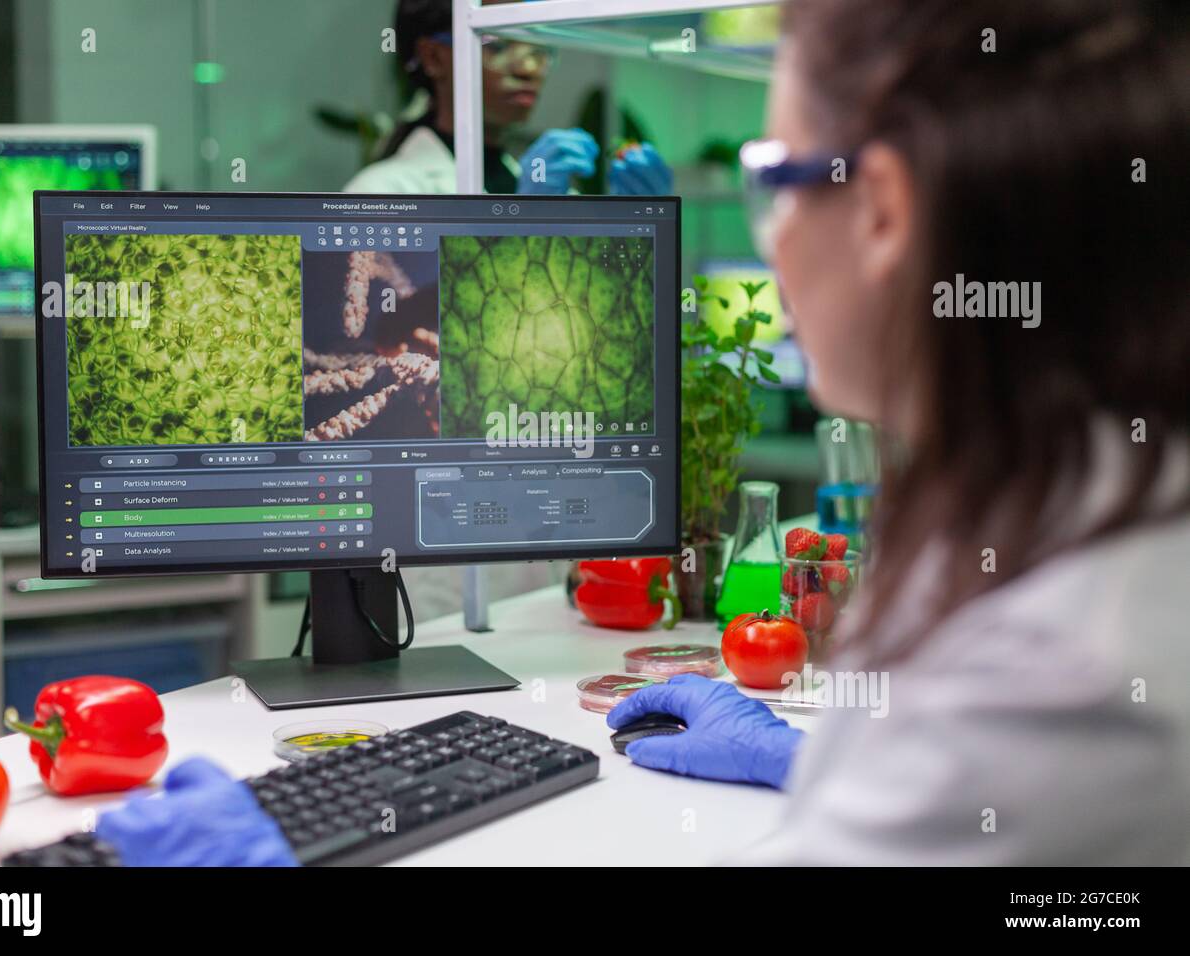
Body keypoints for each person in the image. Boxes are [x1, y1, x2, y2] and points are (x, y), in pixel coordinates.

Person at [97, 0, 1188, 866]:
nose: (767, 241)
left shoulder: (1058, 662)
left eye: (771, 180)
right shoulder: (1097, 514)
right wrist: (814, 763)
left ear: (886, 212)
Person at [342, 0, 672, 196]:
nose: (530, 68)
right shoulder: (382, 191)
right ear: (433, 58)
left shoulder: (549, 189)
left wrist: (641, 225)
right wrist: (520, 224)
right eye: (497, 45)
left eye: (540, 49)